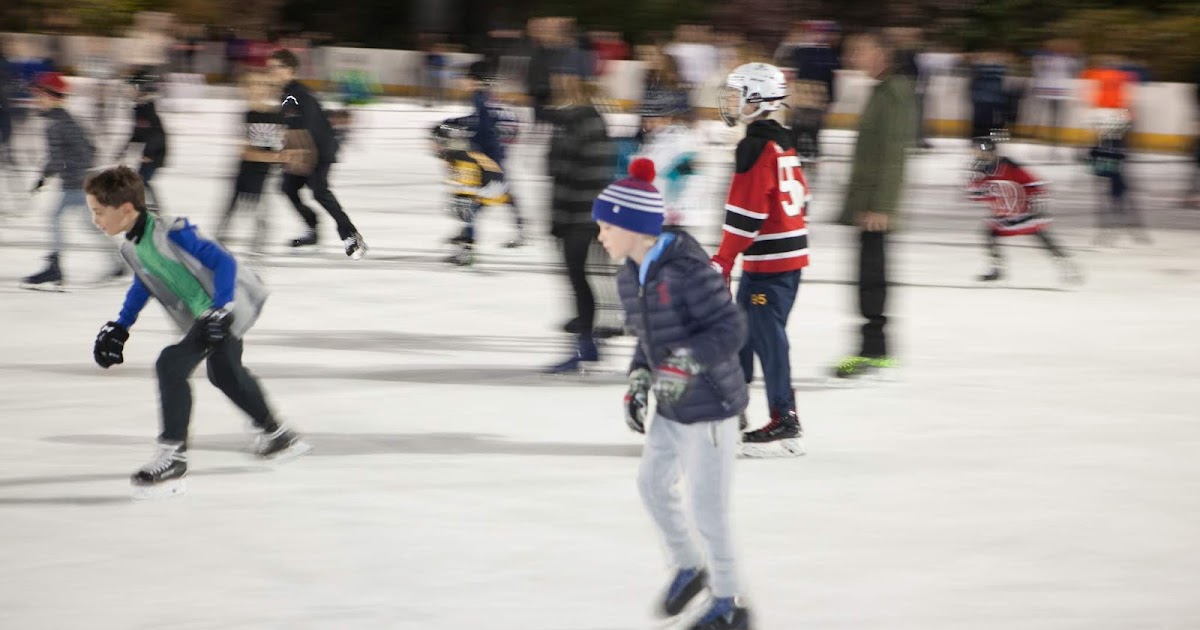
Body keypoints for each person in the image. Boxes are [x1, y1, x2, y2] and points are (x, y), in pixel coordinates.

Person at [85, 166, 310, 500]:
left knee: (170, 364)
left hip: (223, 309)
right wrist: (121, 324)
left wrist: (221, 308)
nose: (95, 220)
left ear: (126, 209)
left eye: (99, 212)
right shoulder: (132, 247)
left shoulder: (172, 231)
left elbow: (224, 262)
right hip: (207, 315)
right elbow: (145, 282)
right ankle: (277, 434)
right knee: (225, 373)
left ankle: (173, 455)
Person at [594, 158, 752, 630]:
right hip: (671, 403)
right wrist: (640, 378)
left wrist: (684, 363)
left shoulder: (687, 270)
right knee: (652, 485)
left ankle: (729, 604)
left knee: (709, 511)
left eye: (606, 226)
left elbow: (731, 328)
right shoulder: (630, 276)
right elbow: (649, 339)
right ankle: (689, 566)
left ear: (634, 228)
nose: (601, 236)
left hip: (711, 409)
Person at [710, 62, 809, 457]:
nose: (731, 102)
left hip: (771, 265)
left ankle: (785, 422)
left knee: (768, 340)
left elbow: (746, 216)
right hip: (781, 260)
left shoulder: (754, 146)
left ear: (756, 98)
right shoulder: (782, 141)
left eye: (737, 94)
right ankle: (731, 411)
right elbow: (802, 197)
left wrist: (723, 259)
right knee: (745, 338)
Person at [833, 31, 916, 380]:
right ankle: (874, 348)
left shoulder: (894, 92)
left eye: (861, 51)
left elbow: (895, 153)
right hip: (869, 203)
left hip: (876, 208)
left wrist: (882, 205)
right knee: (868, 275)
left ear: (882, 55)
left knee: (871, 277)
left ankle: (874, 351)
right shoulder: (881, 90)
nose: (855, 58)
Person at [544, 71, 616, 373]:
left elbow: (557, 168)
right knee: (588, 281)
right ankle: (590, 344)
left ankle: (585, 346)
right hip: (596, 214)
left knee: (578, 283)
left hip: (575, 215)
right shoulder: (599, 122)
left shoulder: (572, 124)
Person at [21, 72, 119, 289]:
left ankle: (54, 267)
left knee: (55, 218)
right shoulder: (64, 120)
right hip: (81, 181)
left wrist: (47, 176)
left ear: (52, 96)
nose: (37, 99)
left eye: (40, 94)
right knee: (87, 224)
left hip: (77, 183)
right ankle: (118, 262)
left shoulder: (57, 124)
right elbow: (89, 148)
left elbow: (62, 157)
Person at [267, 49, 367, 259]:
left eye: (275, 67)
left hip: (318, 151)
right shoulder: (290, 92)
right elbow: (288, 121)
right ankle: (312, 228)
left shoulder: (297, 94)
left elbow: (304, 125)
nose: (271, 72)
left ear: (289, 69)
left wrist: (293, 154)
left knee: (319, 191)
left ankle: (351, 235)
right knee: (288, 187)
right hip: (304, 149)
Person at [966, 136, 1082, 284]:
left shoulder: (1009, 165)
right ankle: (996, 268)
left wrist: (1037, 204)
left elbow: (1034, 183)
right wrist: (974, 184)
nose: (975, 153)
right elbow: (977, 195)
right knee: (989, 233)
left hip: (1024, 212)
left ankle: (1067, 266)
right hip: (1005, 214)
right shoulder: (980, 169)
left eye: (977, 150)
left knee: (1043, 239)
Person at [444, 60, 525, 248]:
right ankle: (521, 230)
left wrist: (454, 124)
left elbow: (482, 124)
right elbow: (505, 123)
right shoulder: (490, 97)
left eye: (465, 78)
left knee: (472, 200)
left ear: (474, 80)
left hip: (486, 159)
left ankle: (468, 244)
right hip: (495, 157)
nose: (462, 82)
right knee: (501, 194)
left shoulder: (480, 98)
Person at [214, 69, 288, 251]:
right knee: (232, 209)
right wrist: (269, 156)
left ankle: (257, 244)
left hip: (261, 173)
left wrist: (269, 156)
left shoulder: (275, 116)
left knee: (257, 212)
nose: (256, 90)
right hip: (244, 170)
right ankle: (220, 241)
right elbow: (246, 151)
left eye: (261, 86)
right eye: (252, 86)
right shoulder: (248, 115)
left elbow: (273, 150)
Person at [432, 121, 512, 266]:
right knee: (463, 208)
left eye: (436, 141)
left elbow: (467, 186)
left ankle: (467, 250)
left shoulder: (460, 155)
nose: (434, 145)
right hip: (490, 185)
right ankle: (465, 238)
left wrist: (460, 198)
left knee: (465, 209)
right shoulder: (458, 151)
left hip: (492, 187)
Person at [115, 69, 168, 211]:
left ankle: (155, 209)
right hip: (150, 151)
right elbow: (136, 133)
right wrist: (123, 150)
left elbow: (158, 135)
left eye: (132, 88)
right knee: (141, 180)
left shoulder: (148, 109)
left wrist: (150, 154)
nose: (129, 92)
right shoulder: (139, 108)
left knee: (142, 180)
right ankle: (147, 208)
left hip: (156, 152)